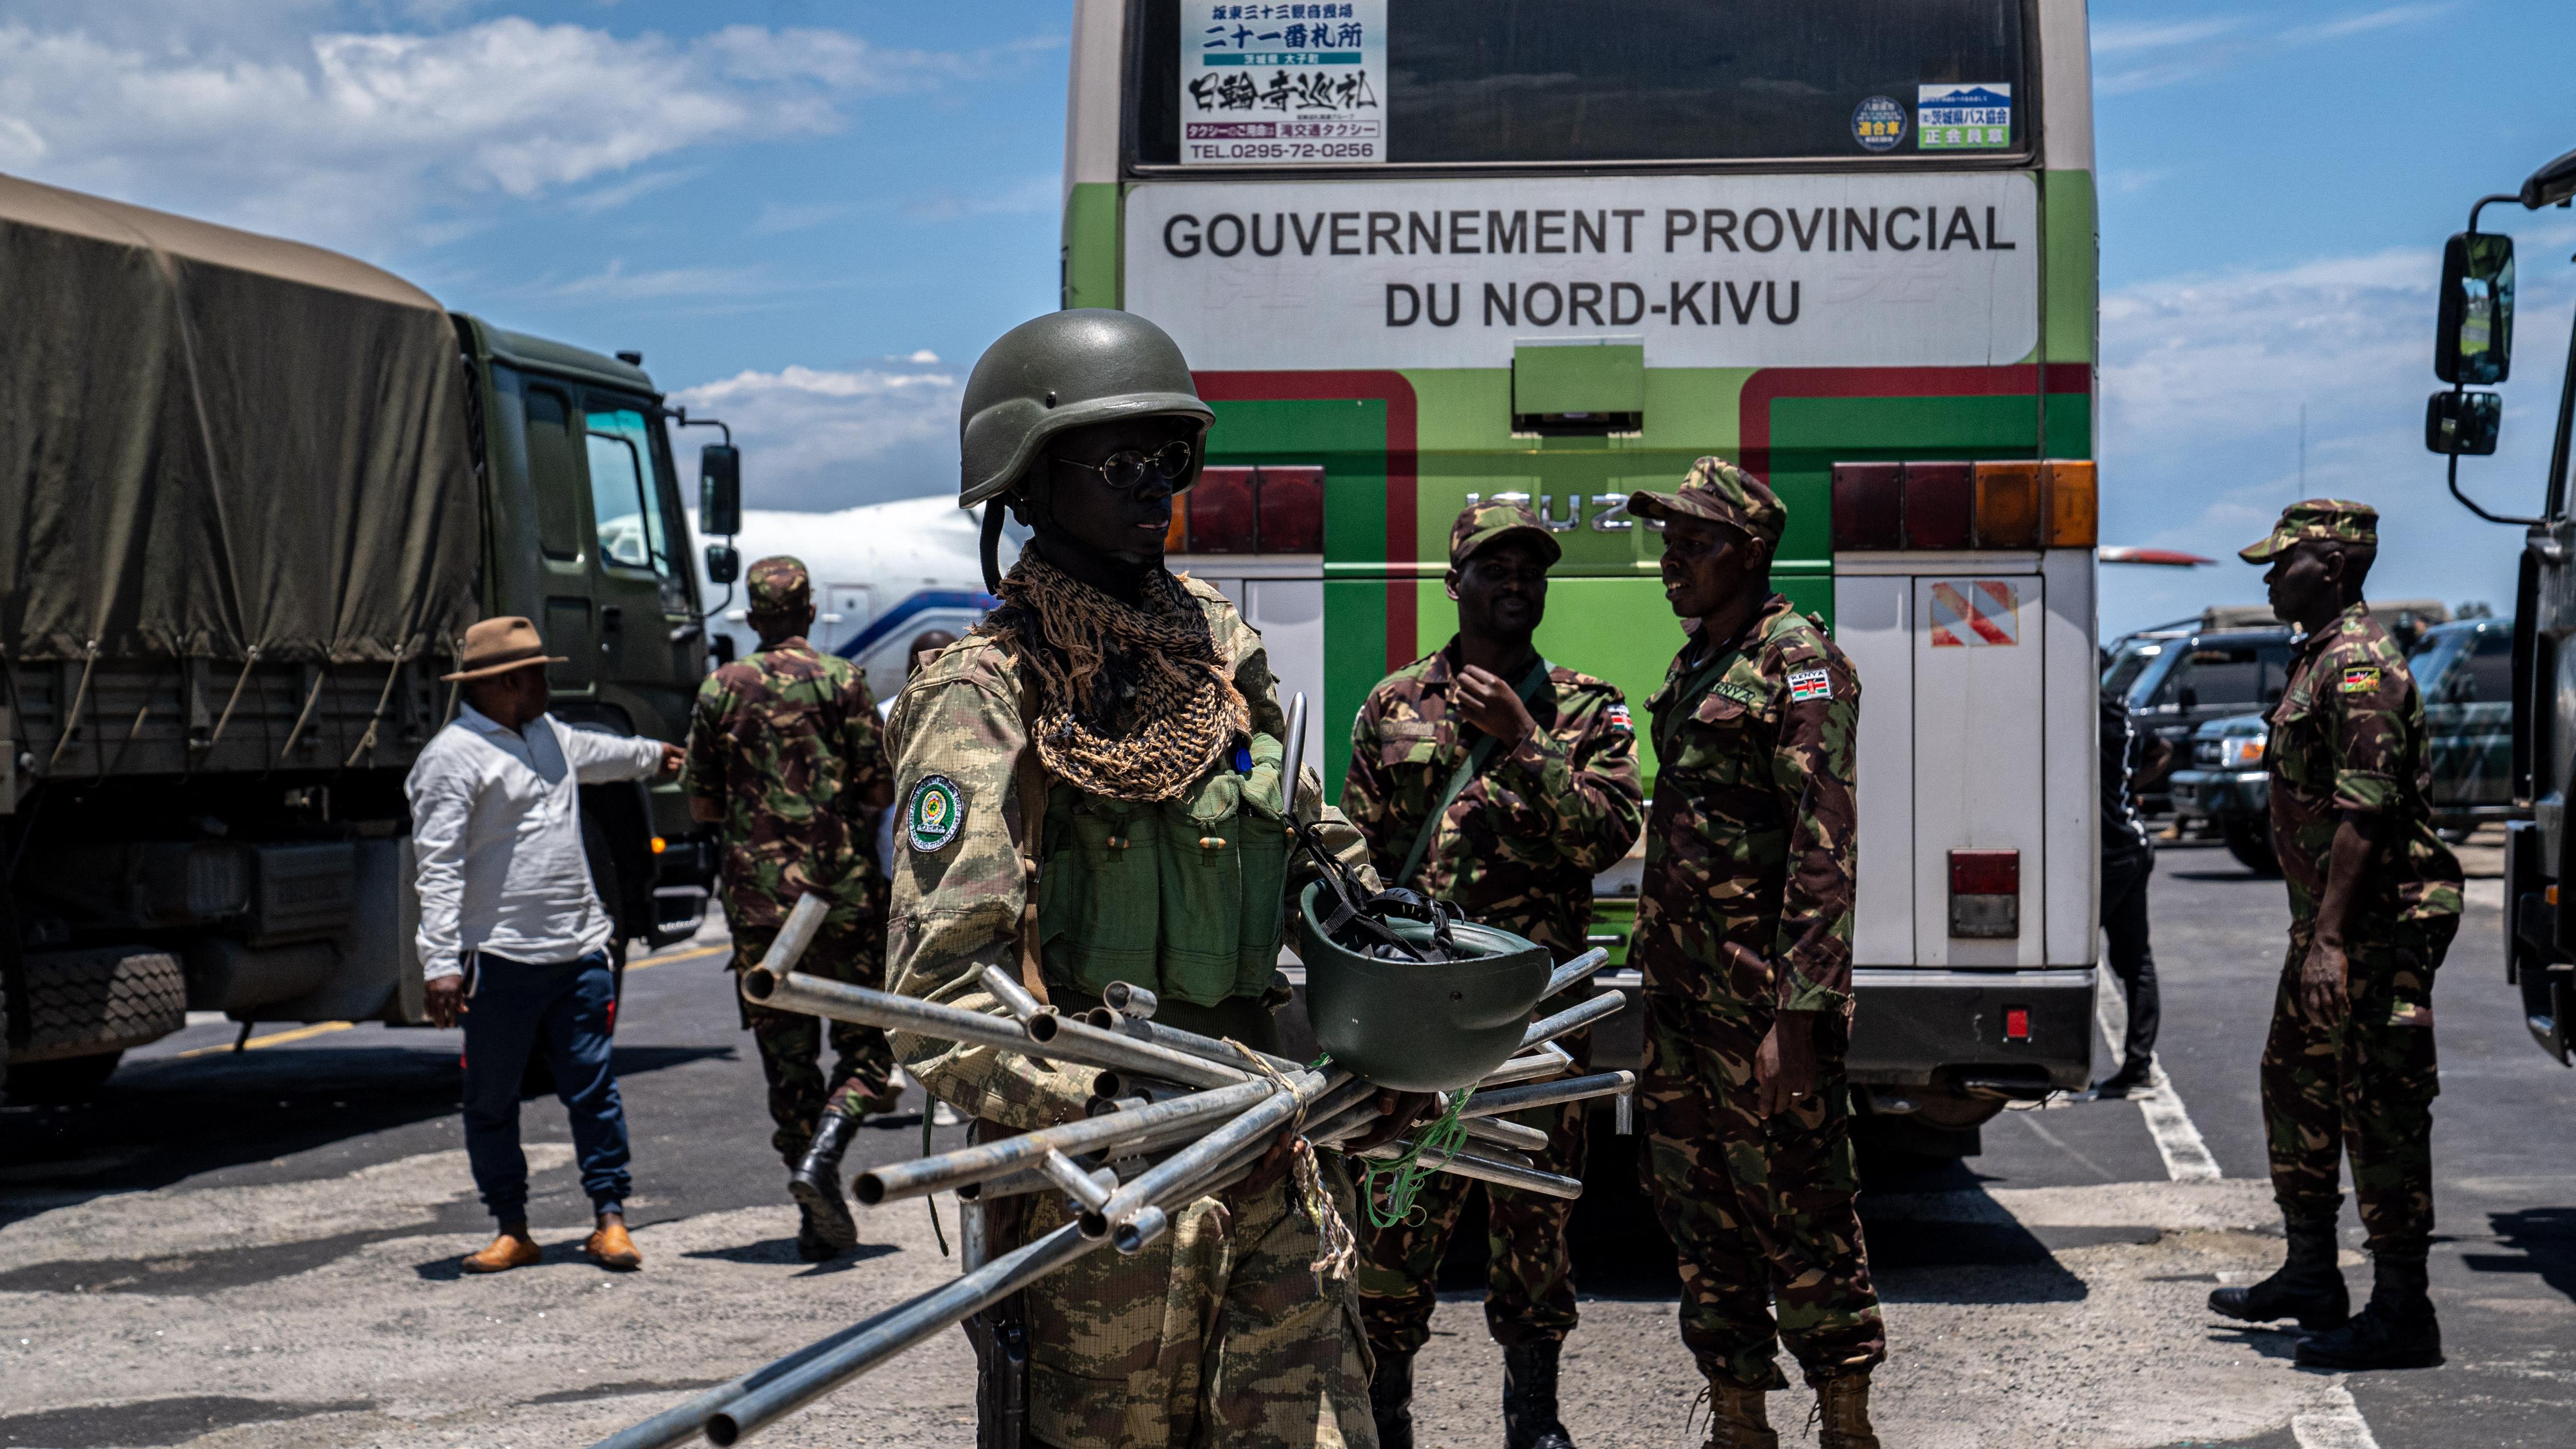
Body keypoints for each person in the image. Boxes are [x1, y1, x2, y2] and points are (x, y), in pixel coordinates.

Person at [884, 309, 1396, 1449]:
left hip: (1268, 1158)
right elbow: (939, 996)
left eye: (1170, 456)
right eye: (1118, 461)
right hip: (1099, 1204)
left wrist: (1403, 1024)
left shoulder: (1220, 658)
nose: (1154, 485)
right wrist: (1105, 1103)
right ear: (1028, 479)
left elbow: (1320, 868)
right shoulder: (986, 692)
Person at [1341, 499, 1643, 1449]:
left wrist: (1524, 739)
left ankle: (1535, 1417)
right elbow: (1356, 860)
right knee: (1397, 1218)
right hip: (1419, 1016)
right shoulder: (1393, 705)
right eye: (1496, 568)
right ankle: (1387, 1413)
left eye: (1531, 571)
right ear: (1454, 583)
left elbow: (1608, 834)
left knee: (1536, 1219)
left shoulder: (1586, 708)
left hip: (1537, 1016)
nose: (1517, 584)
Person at [1625, 459, 1882, 1449]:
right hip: (1684, 1006)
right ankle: (1738, 1420)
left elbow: (1824, 845)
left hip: (1758, 1007)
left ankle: (1847, 1421)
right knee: (1699, 1215)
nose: (1671, 560)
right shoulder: (1701, 660)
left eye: (1693, 543)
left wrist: (1800, 1016)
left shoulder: (1799, 663)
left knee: (1802, 1211)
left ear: (1750, 550)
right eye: (1668, 542)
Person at [2210, 499, 2463, 1370]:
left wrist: (2330, 940)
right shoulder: (2317, 657)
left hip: (2373, 929)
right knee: (2297, 1085)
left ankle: (2404, 1309)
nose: (2269, 577)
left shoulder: (2358, 665)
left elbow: (2367, 810)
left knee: (2381, 1107)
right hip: (2329, 927)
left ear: (2335, 565)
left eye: (2283, 561)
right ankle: (2313, 1273)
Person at [407, 615, 683, 1274]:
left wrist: (657, 755)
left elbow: (602, 753)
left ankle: (610, 1219)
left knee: (594, 1091)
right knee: (492, 1101)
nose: (547, 685)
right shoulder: (450, 758)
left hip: (579, 952)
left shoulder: (548, 734)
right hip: (500, 960)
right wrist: (440, 963)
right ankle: (512, 1227)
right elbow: (437, 867)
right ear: (506, 683)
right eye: (537, 675)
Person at [686, 556, 898, 1262]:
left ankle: (812, 1200)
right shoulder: (843, 681)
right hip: (841, 898)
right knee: (869, 1048)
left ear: (752, 618)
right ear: (809, 612)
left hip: (759, 905)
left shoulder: (720, 688)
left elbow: (702, 804)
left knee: (789, 1061)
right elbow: (878, 790)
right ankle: (825, 1154)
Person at [2092, 688, 2161, 1097]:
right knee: (2136, 961)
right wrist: (2129, 782)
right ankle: (2138, 1063)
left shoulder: (2086, 710)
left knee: (2065, 952)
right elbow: (2162, 749)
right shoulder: (2120, 712)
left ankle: (2047, 1059)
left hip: (2110, 851)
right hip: (2132, 842)